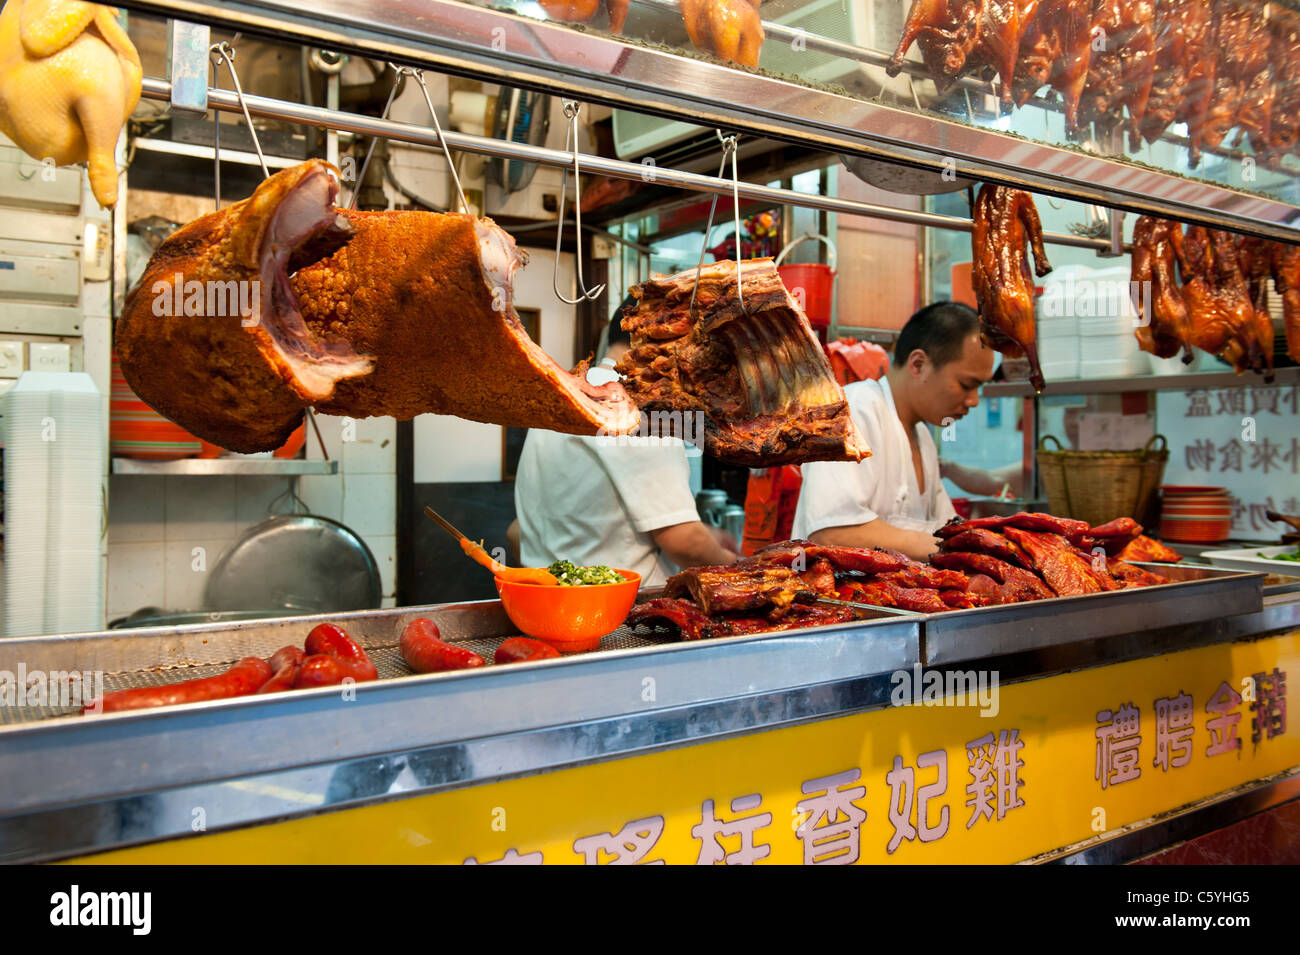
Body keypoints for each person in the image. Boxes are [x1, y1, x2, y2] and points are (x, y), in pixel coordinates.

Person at [513, 303, 738, 585]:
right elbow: (685, 543)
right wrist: (742, 568)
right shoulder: (640, 404)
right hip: (623, 615)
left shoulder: (563, 393)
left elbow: (517, 531)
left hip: (548, 603)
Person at [792, 301, 1020, 561]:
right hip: (833, 598)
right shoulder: (853, 411)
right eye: (967, 384)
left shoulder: (923, 437)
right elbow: (832, 532)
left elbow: (948, 531)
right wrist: (964, 552)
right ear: (918, 364)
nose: (974, 400)